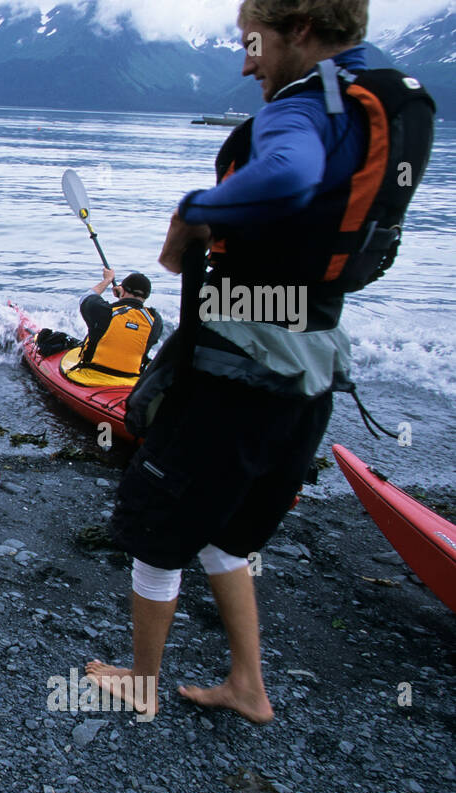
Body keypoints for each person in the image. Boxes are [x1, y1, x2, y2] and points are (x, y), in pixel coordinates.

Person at [89, 0, 433, 723]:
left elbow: (286, 176)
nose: (247, 62)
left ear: (302, 30)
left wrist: (193, 211)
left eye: (255, 42)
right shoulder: (378, 98)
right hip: (311, 367)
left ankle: (142, 683)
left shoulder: (298, 109)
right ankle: (249, 685)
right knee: (230, 527)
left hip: (237, 372)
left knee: (162, 522)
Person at [62, 268, 164, 387]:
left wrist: (107, 279)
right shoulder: (156, 321)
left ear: (123, 290)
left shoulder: (105, 312)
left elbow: (86, 297)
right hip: (130, 382)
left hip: (91, 377)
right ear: (146, 296)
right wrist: (123, 298)